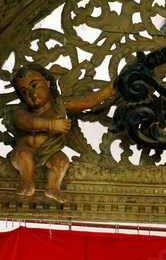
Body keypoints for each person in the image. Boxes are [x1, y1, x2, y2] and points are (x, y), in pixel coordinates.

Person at [9, 63, 117, 202]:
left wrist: (108, 91)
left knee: (61, 161)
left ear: (47, 84)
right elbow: (27, 122)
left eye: (35, 86)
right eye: (24, 92)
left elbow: (86, 102)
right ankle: (27, 181)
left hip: (50, 151)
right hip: (26, 149)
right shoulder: (21, 111)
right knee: (23, 155)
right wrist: (51, 124)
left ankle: (53, 187)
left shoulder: (59, 105)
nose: (31, 94)